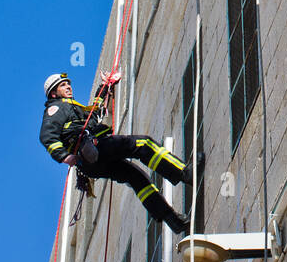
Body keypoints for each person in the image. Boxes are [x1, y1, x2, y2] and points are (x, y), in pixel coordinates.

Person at [39, 73, 198, 236]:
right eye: (63, 85)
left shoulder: (72, 108)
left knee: (135, 177)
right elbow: (47, 136)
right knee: (143, 144)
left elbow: (94, 114)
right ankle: (184, 173)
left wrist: (105, 86)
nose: (68, 87)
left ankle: (173, 220)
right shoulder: (57, 108)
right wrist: (64, 156)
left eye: (68, 84)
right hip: (93, 149)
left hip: (91, 161)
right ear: (54, 93)